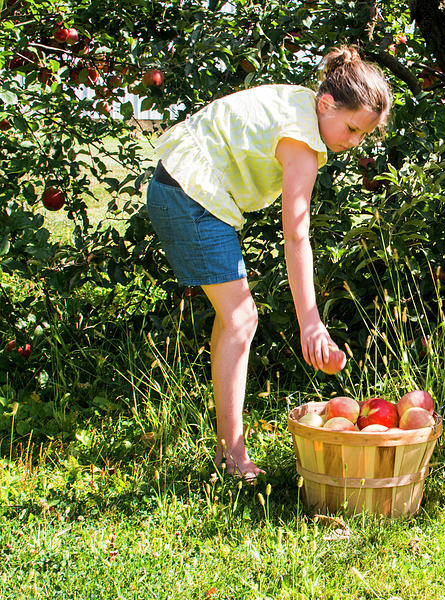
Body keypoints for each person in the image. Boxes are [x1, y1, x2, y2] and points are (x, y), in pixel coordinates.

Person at [145, 46, 392, 480]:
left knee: (234, 320)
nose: (352, 143)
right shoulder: (303, 140)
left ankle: (226, 450)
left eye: (362, 137)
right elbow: (297, 234)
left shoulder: (300, 104)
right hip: (190, 195)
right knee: (241, 320)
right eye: (351, 128)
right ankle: (233, 456)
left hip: (184, 189)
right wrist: (311, 322)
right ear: (327, 103)